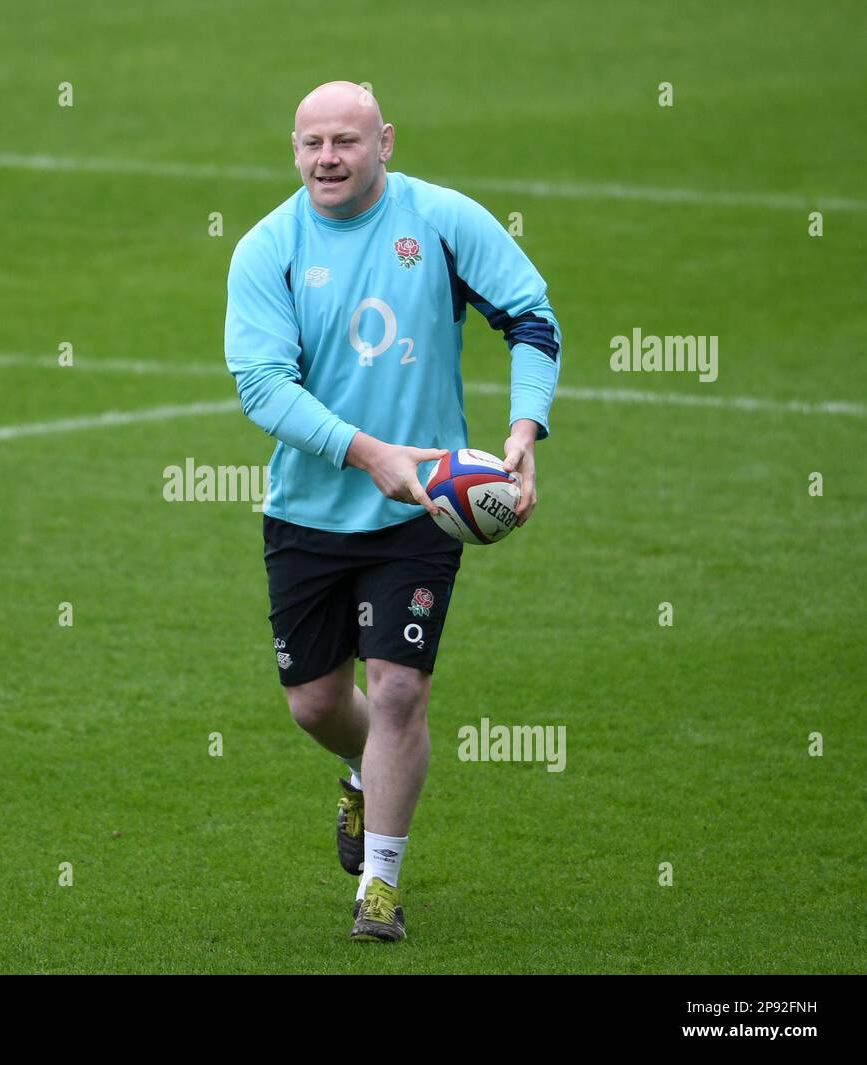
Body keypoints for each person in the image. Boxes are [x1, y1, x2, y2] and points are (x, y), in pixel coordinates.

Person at [223, 81, 562, 941]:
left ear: (386, 142)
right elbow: (262, 384)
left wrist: (524, 430)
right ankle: (357, 767)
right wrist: (367, 453)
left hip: (422, 512)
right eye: (312, 144)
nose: (328, 158)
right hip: (309, 506)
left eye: (347, 140)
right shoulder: (269, 248)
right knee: (313, 700)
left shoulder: (443, 221)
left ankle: (380, 884)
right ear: (294, 150)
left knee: (401, 689)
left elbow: (531, 317)